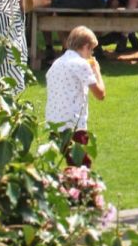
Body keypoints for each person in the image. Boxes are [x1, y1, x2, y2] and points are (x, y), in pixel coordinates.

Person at [45, 26, 106, 164]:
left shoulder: (56, 63)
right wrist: (97, 70)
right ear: (85, 46)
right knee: (81, 167)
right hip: (73, 125)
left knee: (70, 165)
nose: (91, 54)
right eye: (91, 50)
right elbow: (100, 94)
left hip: (54, 124)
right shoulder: (81, 64)